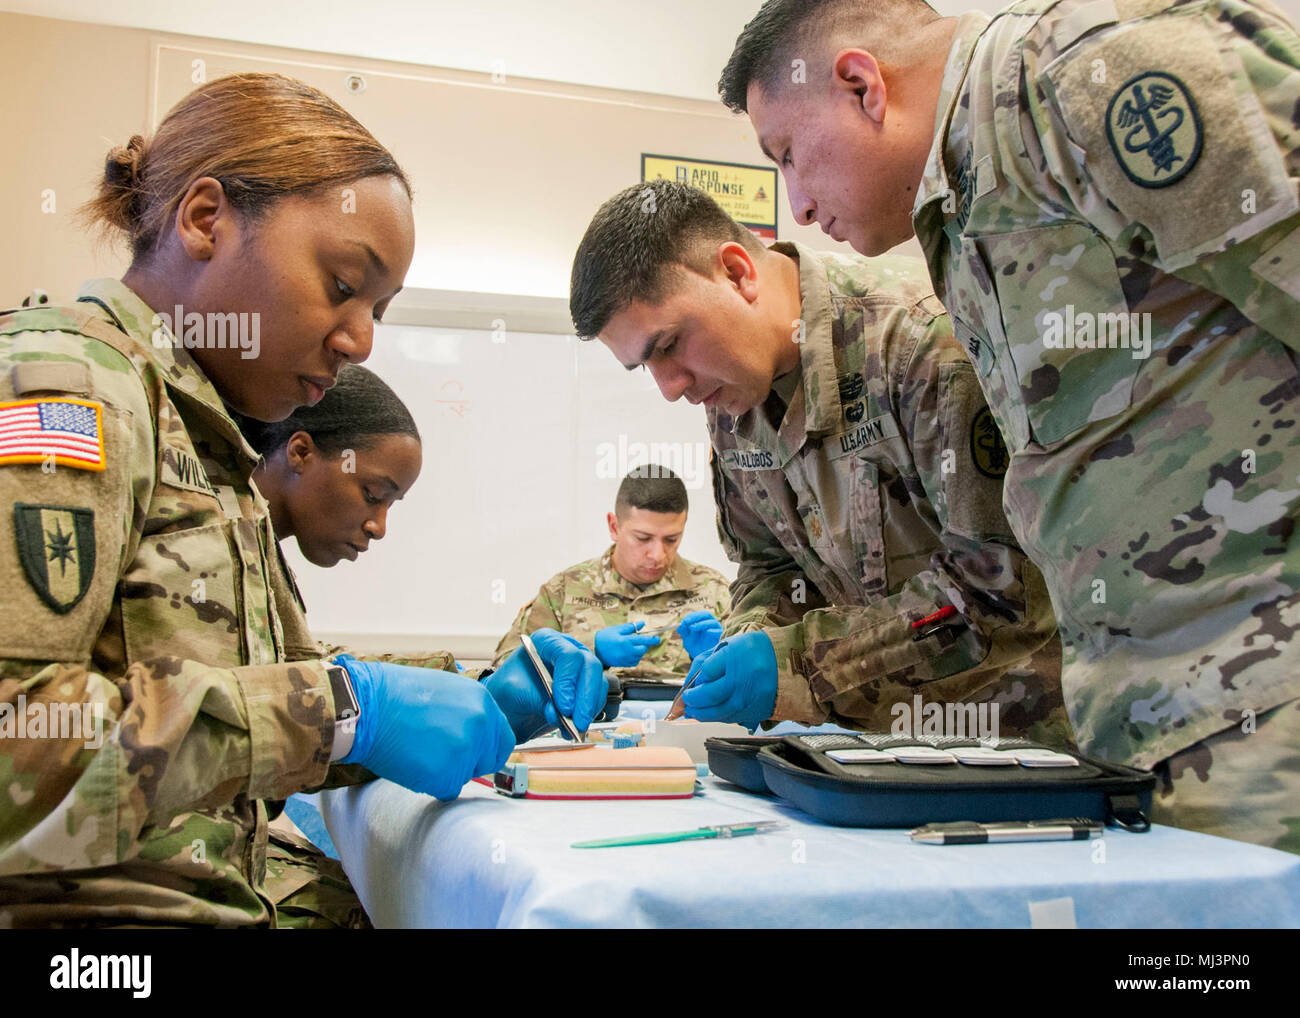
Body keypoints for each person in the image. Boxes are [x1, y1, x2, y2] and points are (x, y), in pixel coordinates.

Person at [0, 72, 607, 928]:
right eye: (341, 285)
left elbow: (264, 710)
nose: (359, 340)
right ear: (205, 219)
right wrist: (350, 714)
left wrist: (472, 690)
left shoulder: (204, 441)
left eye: (379, 310)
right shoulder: (68, 385)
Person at [718, 0, 1300, 849]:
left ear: (860, 86)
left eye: (790, 156)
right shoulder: (960, 214)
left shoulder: (1081, 76)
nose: (798, 207)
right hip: (1146, 733)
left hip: (1268, 690)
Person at [569, 180, 1069, 745]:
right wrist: (748, 640)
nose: (670, 388)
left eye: (668, 345)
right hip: (874, 754)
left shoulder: (924, 346)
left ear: (737, 273)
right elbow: (770, 566)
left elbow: (1000, 596)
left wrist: (800, 664)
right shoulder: (732, 398)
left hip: (1019, 751)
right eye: (645, 366)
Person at [494, 467, 731, 681]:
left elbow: (756, 690)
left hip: (683, 725)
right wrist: (589, 651)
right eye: (643, 538)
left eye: (671, 539)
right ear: (614, 527)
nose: (658, 554)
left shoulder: (714, 592)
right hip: (591, 724)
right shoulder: (564, 591)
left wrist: (719, 658)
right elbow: (505, 675)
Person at [239, 363, 421, 570]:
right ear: (301, 452)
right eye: (373, 495)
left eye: (389, 505)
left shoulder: (258, 570)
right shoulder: (205, 551)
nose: (378, 529)